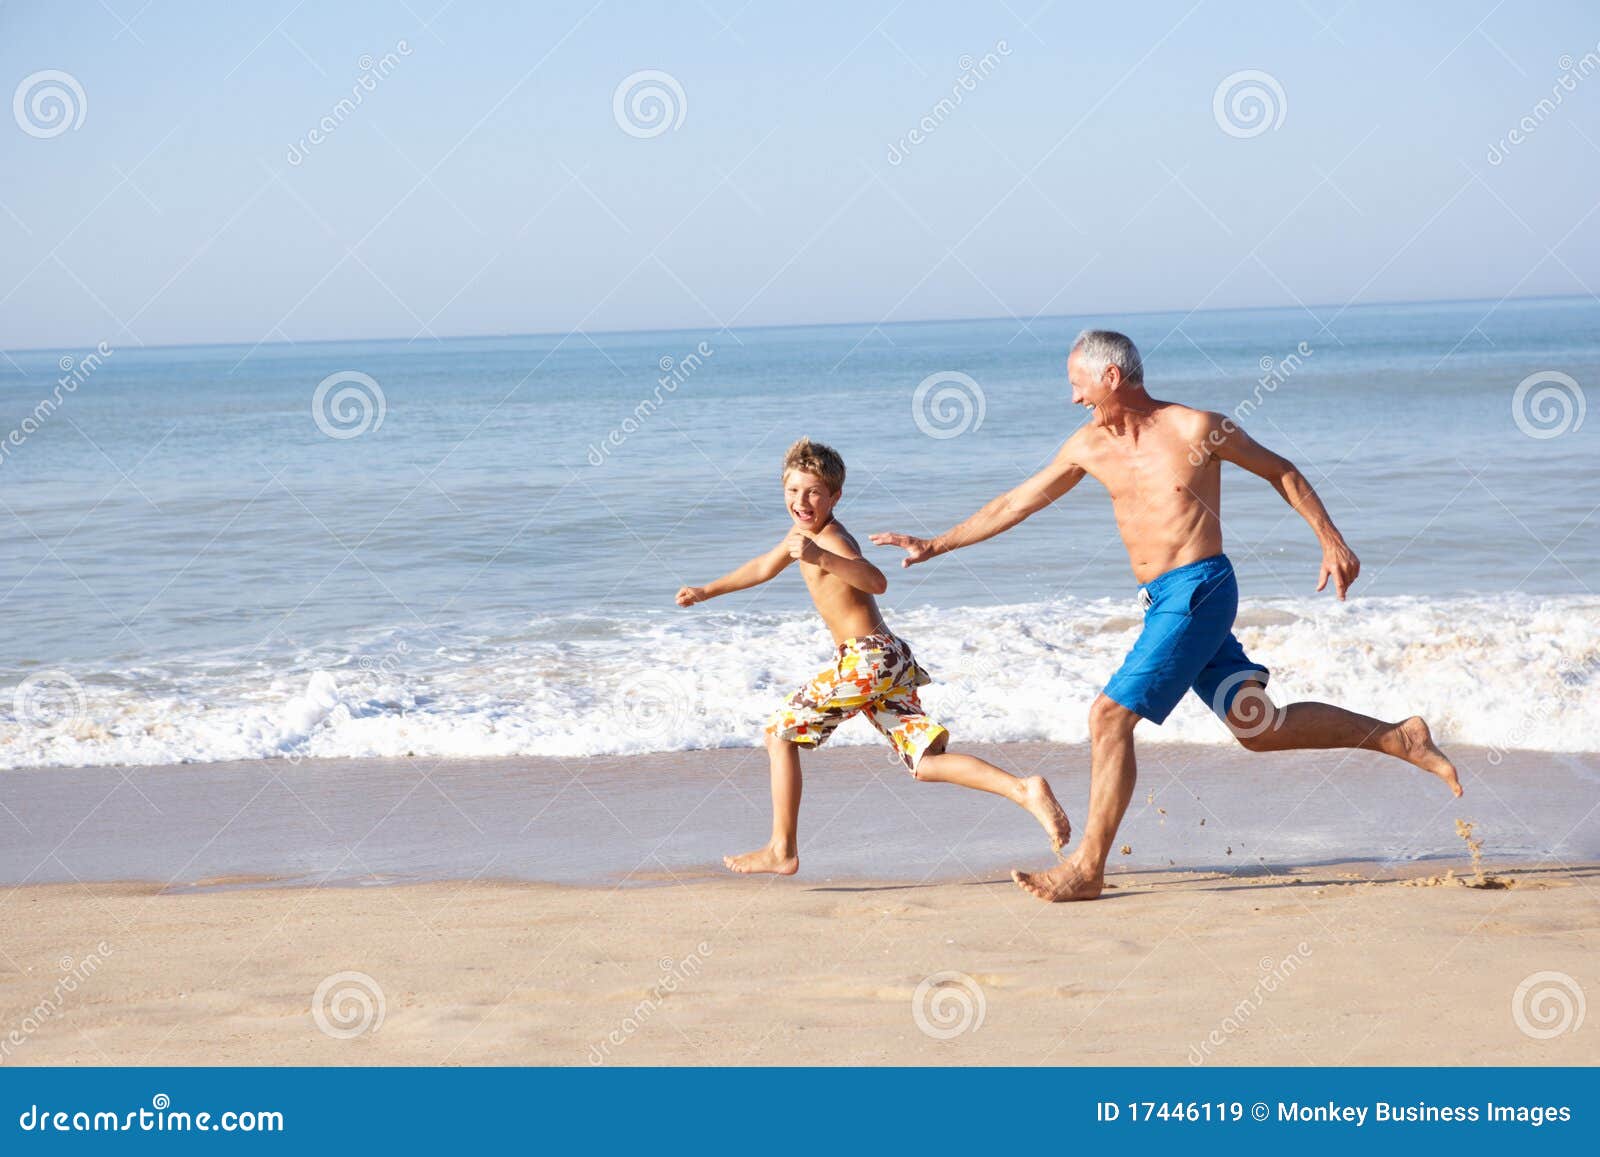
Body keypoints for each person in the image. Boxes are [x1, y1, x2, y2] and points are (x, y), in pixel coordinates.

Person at [872, 330, 1462, 903]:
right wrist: (937, 543)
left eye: (1078, 384)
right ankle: (1397, 736)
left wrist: (1331, 540)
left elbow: (1281, 470)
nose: (1074, 398)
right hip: (1163, 600)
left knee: (1108, 719)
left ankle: (1087, 868)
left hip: (1201, 588)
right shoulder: (1088, 446)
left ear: (1110, 377)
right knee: (1259, 727)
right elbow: (1015, 502)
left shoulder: (1197, 429)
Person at [675, 436, 1070, 875]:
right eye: (792, 491)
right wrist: (707, 590)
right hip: (887, 659)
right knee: (925, 762)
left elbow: (875, 581)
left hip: (867, 660)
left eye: (813, 493)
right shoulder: (801, 534)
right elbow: (763, 567)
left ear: (834, 497)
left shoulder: (831, 539)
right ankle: (1023, 789)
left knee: (779, 735)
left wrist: (822, 556)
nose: (801, 501)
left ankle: (781, 849)